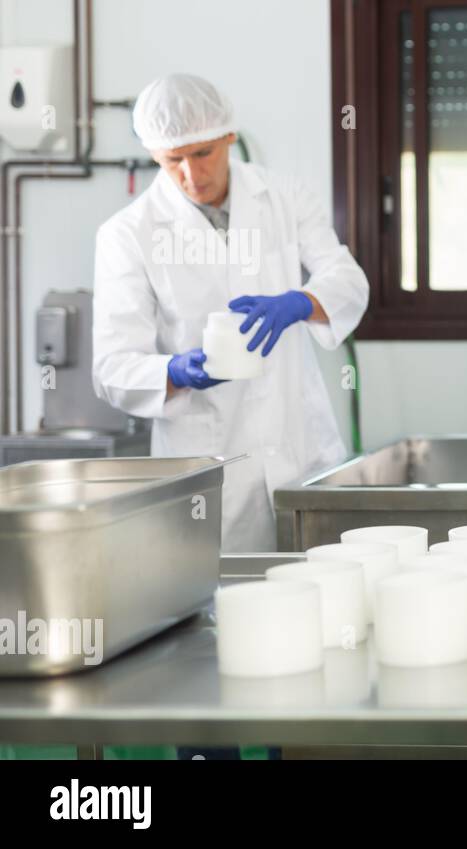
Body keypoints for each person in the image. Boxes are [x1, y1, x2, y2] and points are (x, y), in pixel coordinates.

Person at [92, 74, 368, 551]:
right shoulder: (127, 234)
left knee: (321, 596)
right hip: (207, 472)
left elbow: (348, 282)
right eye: (172, 160)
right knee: (221, 611)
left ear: (228, 136)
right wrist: (176, 371)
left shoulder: (284, 197)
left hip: (301, 452)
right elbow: (112, 368)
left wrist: (300, 302)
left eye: (203, 154)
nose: (191, 175)